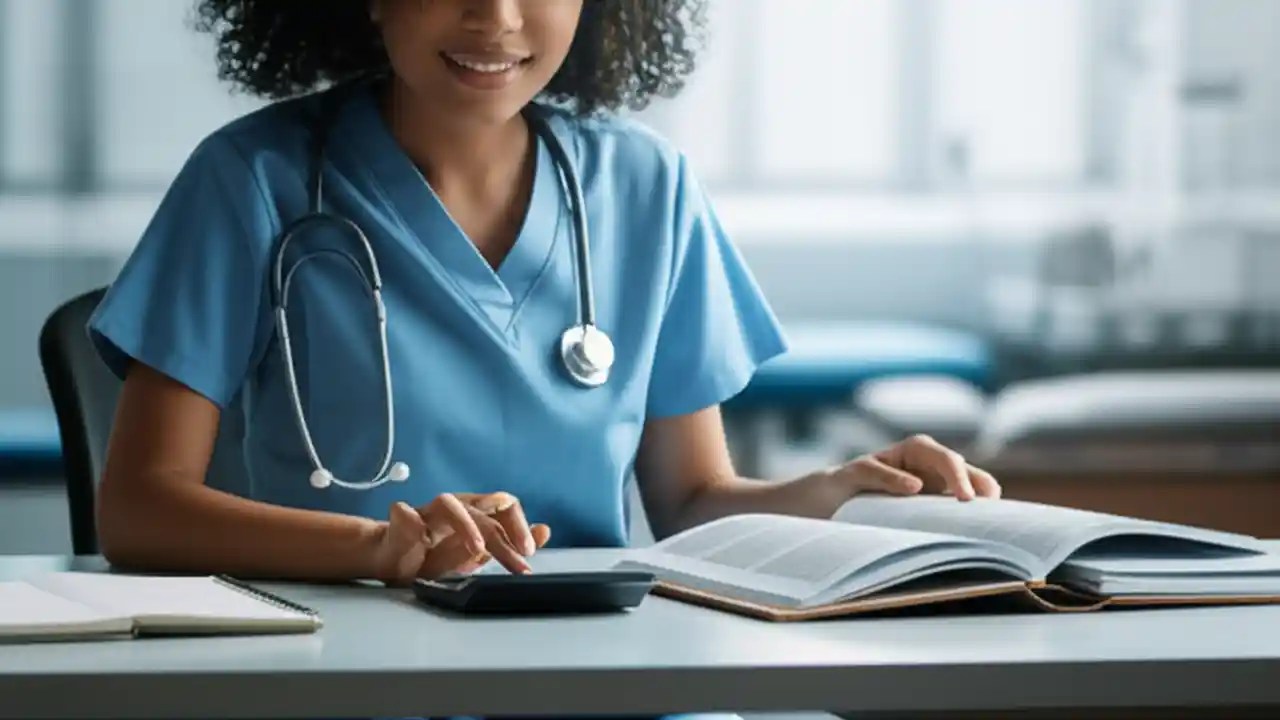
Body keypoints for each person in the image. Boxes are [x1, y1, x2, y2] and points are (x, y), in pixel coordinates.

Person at [91, 0, 999, 662]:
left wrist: (838, 489)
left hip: (604, 670)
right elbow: (138, 511)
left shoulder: (648, 189)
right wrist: (379, 550)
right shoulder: (251, 180)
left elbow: (687, 503)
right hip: (350, 671)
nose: (496, 17)